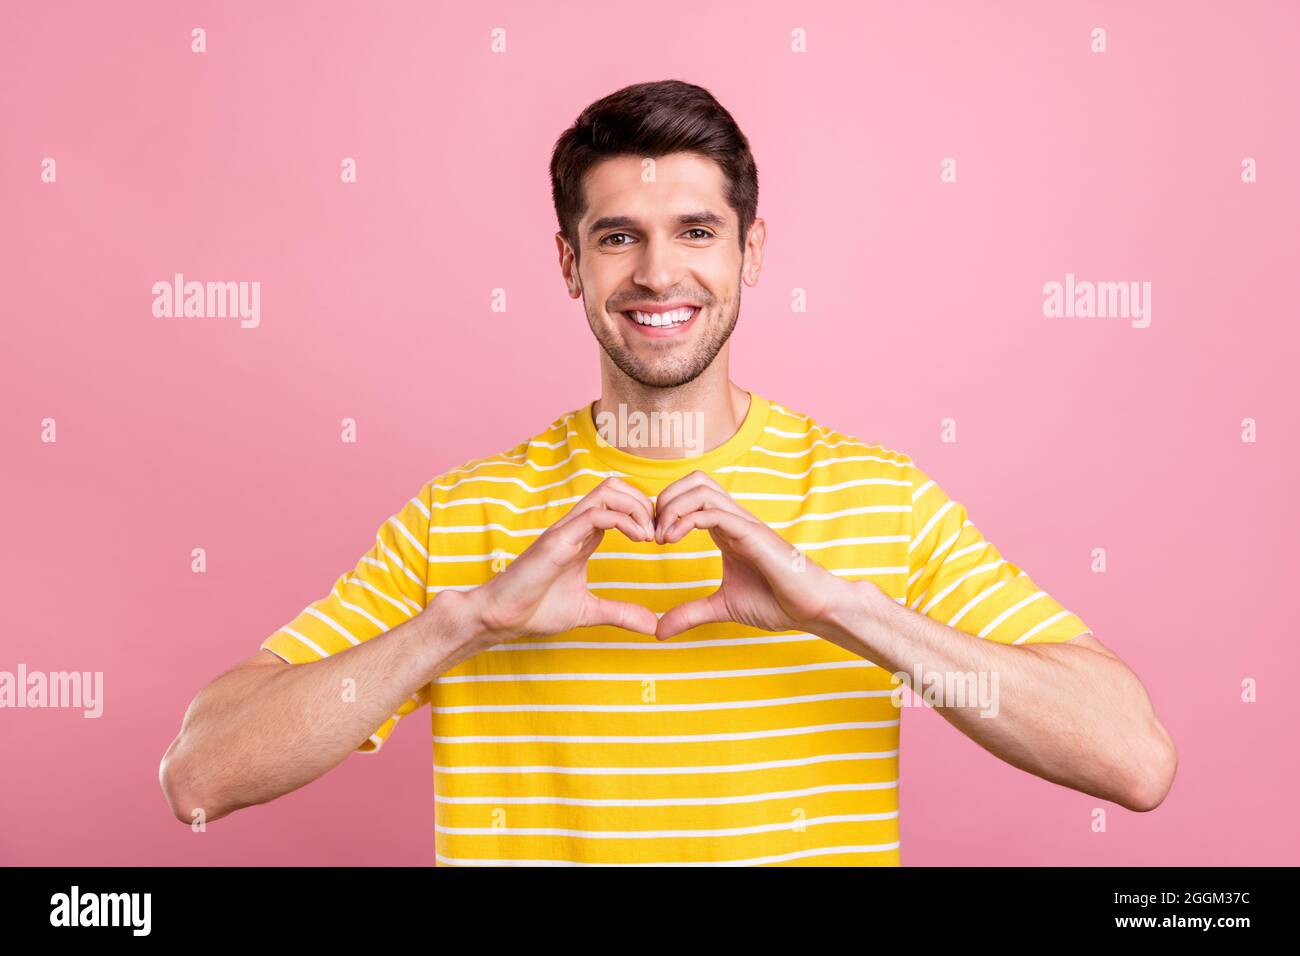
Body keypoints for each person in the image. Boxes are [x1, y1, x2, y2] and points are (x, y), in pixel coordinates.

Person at [159, 79, 1176, 866]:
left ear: (750, 250)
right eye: (617, 237)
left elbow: (1131, 760)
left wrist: (841, 609)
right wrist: (463, 621)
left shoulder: (879, 497)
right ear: (570, 264)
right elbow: (199, 774)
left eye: (695, 230)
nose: (656, 273)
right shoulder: (464, 514)